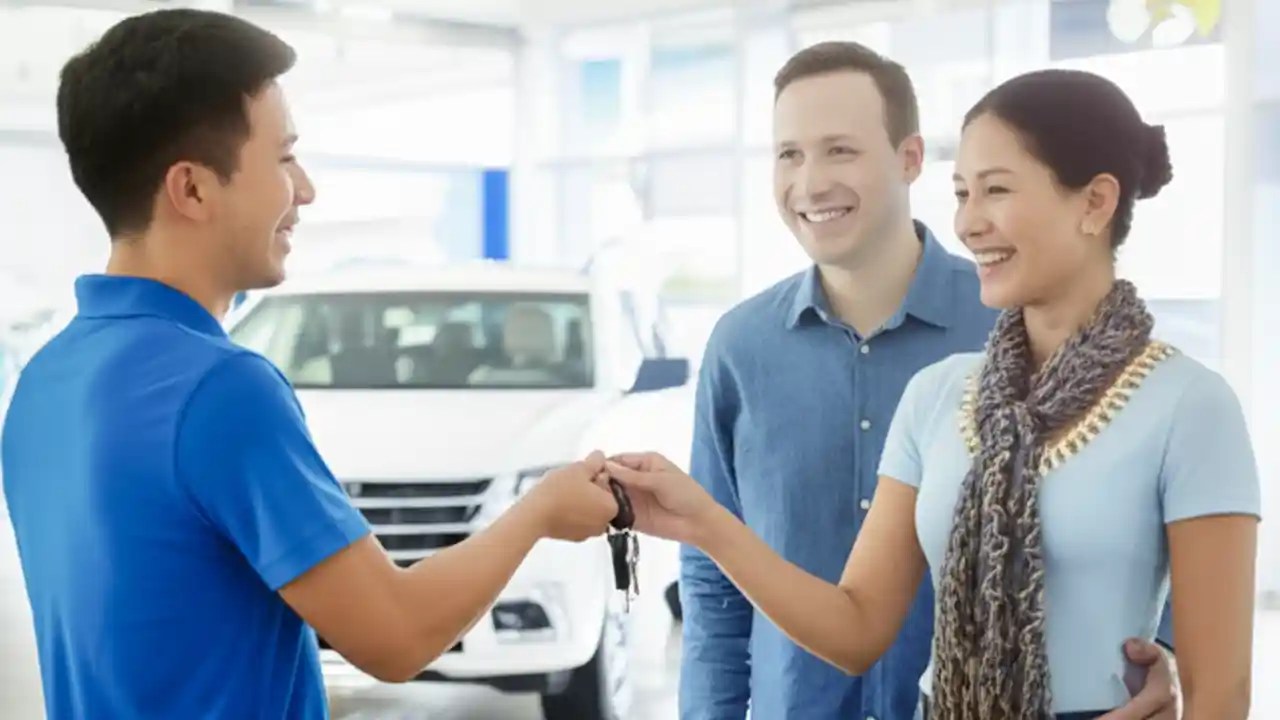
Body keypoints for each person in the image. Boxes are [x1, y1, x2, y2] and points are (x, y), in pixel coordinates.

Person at [0, 10, 618, 718]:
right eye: (284, 157)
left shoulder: (43, 381)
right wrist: (540, 510)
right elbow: (396, 634)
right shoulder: (218, 389)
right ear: (193, 189)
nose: (306, 189)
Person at [610, 67, 1259, 720]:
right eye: (962, 194)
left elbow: (1221, 696)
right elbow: (856, 627)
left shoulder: (1191, 406)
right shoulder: (938, 394)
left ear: (1094, 203)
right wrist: (701, 520)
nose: (970, 223)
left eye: (996, 191)